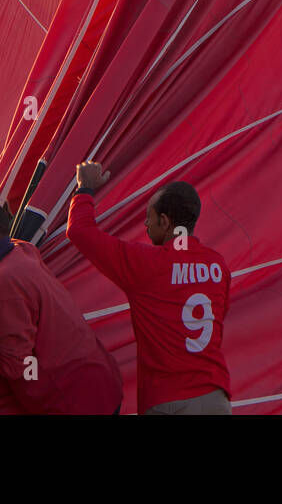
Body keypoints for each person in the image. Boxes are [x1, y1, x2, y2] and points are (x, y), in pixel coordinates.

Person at [66, 162, 232, 414]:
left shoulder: (146, 264)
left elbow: (79, 230)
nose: (145, 224)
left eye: (149, 217)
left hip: (168, 402)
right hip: (215, 399)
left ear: (165, 222)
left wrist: (85, 188)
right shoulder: (218, 266)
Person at [0, 199, 123, 414]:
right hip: (100, 379)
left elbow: (13, 364)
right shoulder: (22, 249)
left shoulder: (4, 282)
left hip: (71, 401)